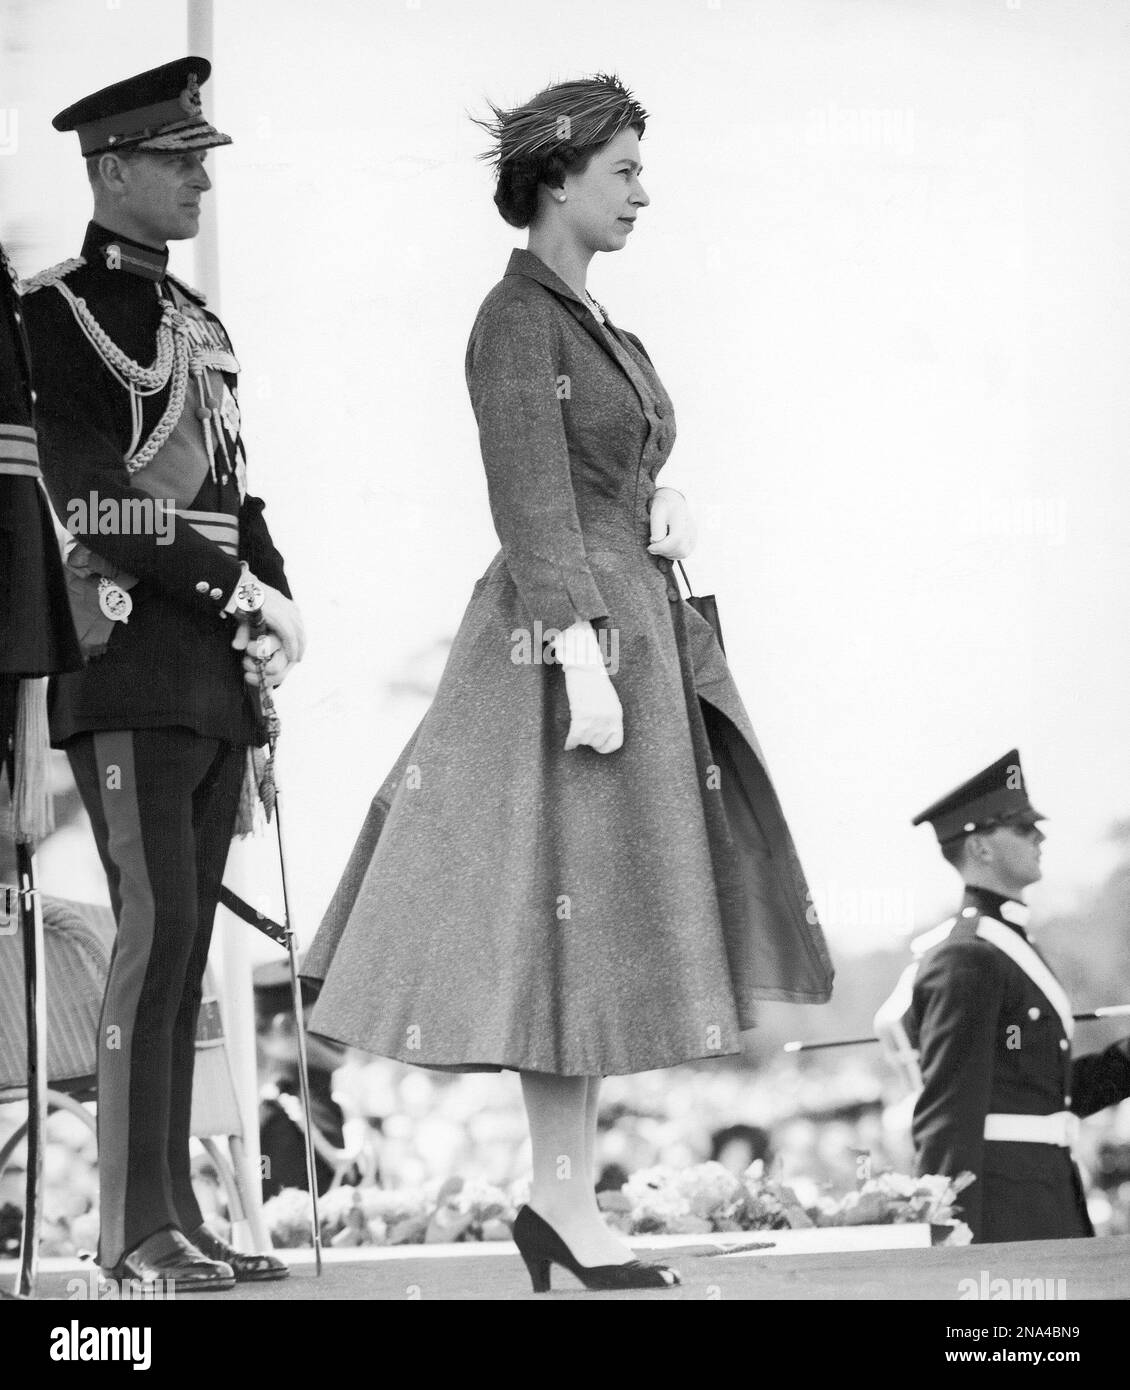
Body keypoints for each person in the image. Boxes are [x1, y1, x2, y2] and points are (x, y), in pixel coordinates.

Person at [302, 73, 834, 1293]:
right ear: (557, 175)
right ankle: (559, 1208)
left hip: (628, 630)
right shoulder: (516, 321)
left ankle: (560, 1205)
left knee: (586, 934)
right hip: (563, 653)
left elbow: (602, 472)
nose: (643, 192)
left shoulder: (600, 326)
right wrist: (582, 659)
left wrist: (660, 499)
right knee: (562, 929)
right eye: (625, 170)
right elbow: (529, 503)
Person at [21, 57, 305, 1290]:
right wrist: (232, 589)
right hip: (128, 665)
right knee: (158, 931)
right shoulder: (51, 314)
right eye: (179, 158)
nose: (199, 177)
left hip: (208, 674)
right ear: (112, 168)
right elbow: (86, 495)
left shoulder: (199, 322)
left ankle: (175, 1218)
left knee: (186, 949)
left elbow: (235, 487)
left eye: (204, 158)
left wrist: (275, 596)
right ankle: (128, 1233)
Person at [876, 749, 1130, 1242]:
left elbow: (1043, 1094)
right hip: (1000, 1215)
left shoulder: (1007, 947)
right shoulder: (968, 956)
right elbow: (949, 1111)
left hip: (1044, 1198)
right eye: (1021, 826)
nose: (1040, 836)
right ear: (982, 846)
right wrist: (951, 1233)